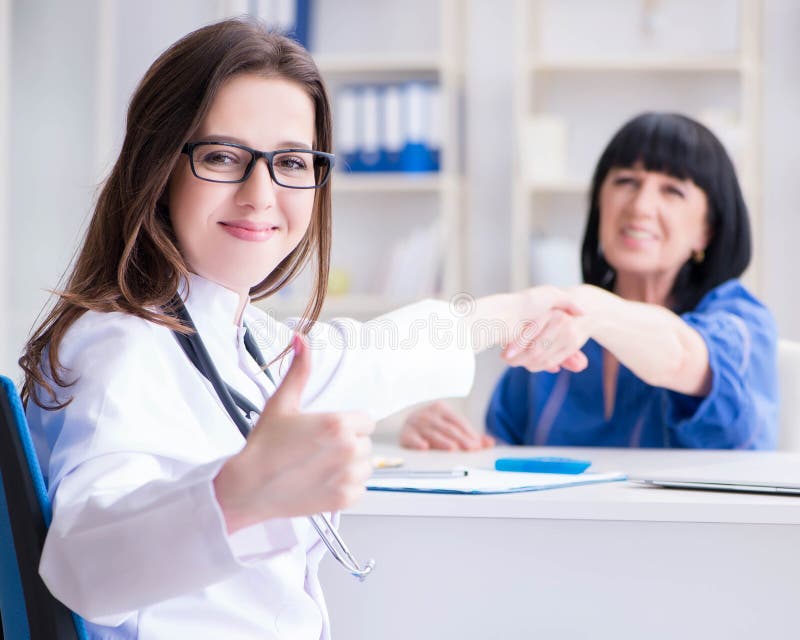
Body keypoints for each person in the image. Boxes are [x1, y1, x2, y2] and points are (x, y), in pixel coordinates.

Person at [19, 18, 581, 640]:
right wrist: (238, 495)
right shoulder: (122, 346)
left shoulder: (243, 339)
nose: (261, 194)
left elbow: (374, 354)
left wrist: (526, 309)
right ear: (158, 167)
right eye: (223, 156)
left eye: (290, 161)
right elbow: (80, 564)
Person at [401, 112, 778, 451]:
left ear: (707, 232)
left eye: (672, 190)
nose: (640, 206)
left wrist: (592, 307)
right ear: (600, 204)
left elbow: (682, 359)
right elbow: (498, 459)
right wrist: (444, 441)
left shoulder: (739, 323)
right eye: (626, 181)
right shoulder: (559, 327)